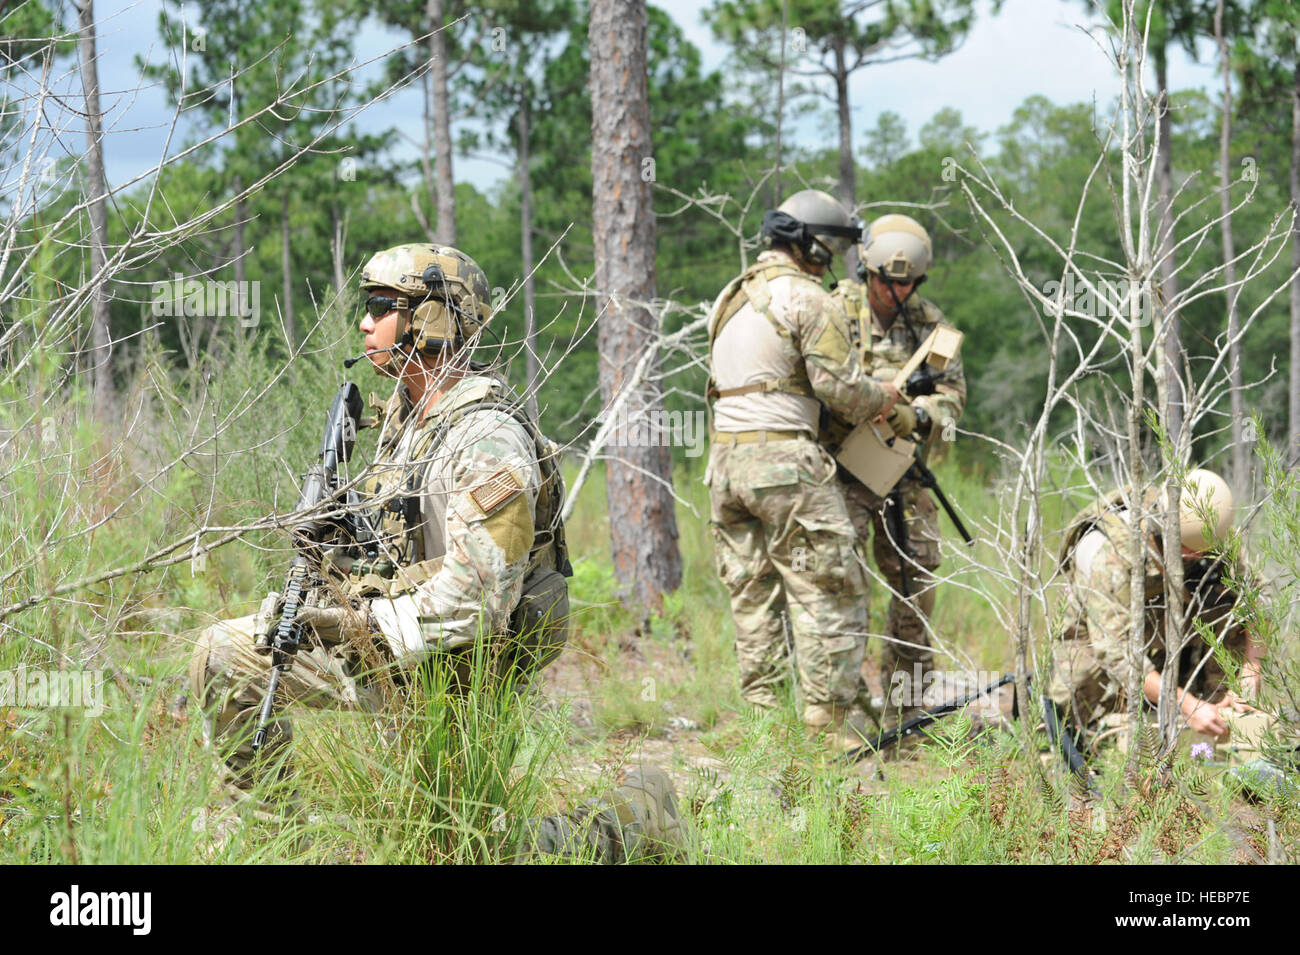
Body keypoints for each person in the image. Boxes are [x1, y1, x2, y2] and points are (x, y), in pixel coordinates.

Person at [189, 243, 681, 862]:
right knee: (224, 655)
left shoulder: (485, 438)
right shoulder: (409, 420)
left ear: (430, 321)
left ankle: (631, 822)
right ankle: (281, 844)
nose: (364, 323)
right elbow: (396, 546)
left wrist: (356, 625)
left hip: (465, 665)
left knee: (450, 848)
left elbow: (478, 599)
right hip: (397, 645)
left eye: (379, 306)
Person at [705, 189, 901, 752]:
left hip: (725, 463)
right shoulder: (808, 298)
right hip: (786, 462)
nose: (837, 259)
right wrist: (884, 396)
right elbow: (840, 393)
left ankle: (764, 734)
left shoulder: (732, 296)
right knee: (830, 588)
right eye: (834, 247)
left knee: (753, 598)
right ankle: (829, 732)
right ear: (812, 244)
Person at [828, 214, 966, 732]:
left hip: (904, 471)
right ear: (868, 271)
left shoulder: (932, 326)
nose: (897, 291)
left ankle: (906, 710)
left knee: (918, 583)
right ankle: (841, 710)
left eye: (907, 283)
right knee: (841, 586)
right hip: (840, 471)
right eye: (888, 281)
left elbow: (953, 397)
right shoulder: (835, 311)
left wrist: (920, 415)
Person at [1046, 469, 1265, 747]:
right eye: (1189, 551)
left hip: (1168, 611)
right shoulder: (1112, 554)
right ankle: (1094, 737)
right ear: (1165, 530)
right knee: (1077, 688)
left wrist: (1250, 670)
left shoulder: (1212, 530)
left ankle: (1216, 714)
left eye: (1204, 551)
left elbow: (1259, 602)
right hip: (1102, 628)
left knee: (1228, 609)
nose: (1197, 557)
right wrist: (1185, 704)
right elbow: (1116, 653)